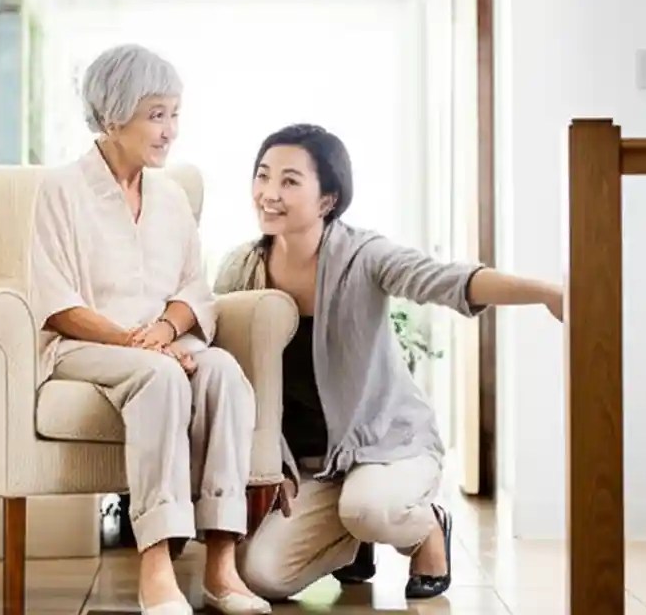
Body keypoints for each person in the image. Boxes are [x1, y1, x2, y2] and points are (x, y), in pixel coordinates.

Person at [217, 124, 563, 602]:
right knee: (261, 575)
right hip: (313, 467)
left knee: (370, 508)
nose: (269, 193)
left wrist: (546, 293)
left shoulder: (364, 256)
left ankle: (427, 530)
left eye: (289, 181)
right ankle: (353, 542)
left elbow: (448, 279)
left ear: (327, 199)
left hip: (387, 447)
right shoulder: (241, 268)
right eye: (263, 176)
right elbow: (220, 346)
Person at [30, 44, 270, 615]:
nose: (170, 131)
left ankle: (221, 566)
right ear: (114, 116)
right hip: (84, 347)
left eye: (175, 114)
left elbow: (195, 290)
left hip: (164, 344)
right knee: (161, 378)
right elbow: (57, 303)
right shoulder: (61, 189)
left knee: (223, 373)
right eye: (156, 115)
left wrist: (164, 330)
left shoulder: (171, 197)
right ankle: (155, 566)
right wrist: (138, 345)